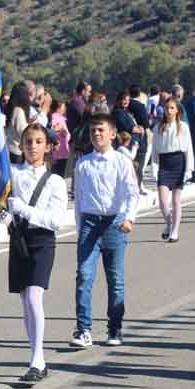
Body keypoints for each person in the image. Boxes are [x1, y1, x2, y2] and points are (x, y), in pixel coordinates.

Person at [71, 113, 139, 349]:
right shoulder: (83, 163)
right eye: (93, 131)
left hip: (114, 223)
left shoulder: (121, 161)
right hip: (90, 224)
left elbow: (132, 192)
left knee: (115, 280)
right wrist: (80, 228)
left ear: (112, 134)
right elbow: (79, 199)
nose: (96, 134)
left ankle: (115, 327)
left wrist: (129, 219)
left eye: (101, 130)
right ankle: (83, 329)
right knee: (84, 277)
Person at [7, 124, 66, 384]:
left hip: (42, 241)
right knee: (25, 303)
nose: (33, 146)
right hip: (19, 239)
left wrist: (23, 210)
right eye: (28, 141)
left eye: (38, 141)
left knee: (33, 297)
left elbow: (55, 221)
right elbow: (0, 201)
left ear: (48, 146)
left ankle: (38, 358)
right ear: (21, 145)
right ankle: (35, 356)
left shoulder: (55, 181)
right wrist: (6, 216)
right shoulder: (13, 173)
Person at [152, 97, 194, 243]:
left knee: (176, 201)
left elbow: (189, 148)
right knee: (163, 201)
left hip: (179, 162)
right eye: (167, 108)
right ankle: (169, 223)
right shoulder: (158, 128)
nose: (169, 111)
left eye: (172, 108)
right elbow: (155, 150)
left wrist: (189, 169)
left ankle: (175, 230)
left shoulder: (183, 127)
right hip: (164, 163)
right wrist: (154, 167)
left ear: (177, 110)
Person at [5, 82, 31, 165]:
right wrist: (31, 126)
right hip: (16, 151)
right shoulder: (19, 111)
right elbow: (23, 132)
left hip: (8, 148)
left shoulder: (10, 109)